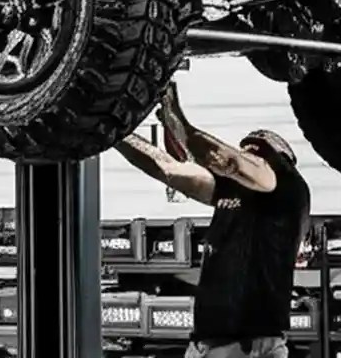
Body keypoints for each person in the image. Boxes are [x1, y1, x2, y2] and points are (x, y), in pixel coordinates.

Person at [112, 82, 311, 358]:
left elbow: (229, 161)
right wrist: (111, 130)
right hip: (208, 345)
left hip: (249, 347)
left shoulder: (288, 188)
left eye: (256, 149)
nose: (247, 151)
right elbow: (168, 168)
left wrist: (177, 117)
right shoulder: (233, 192)